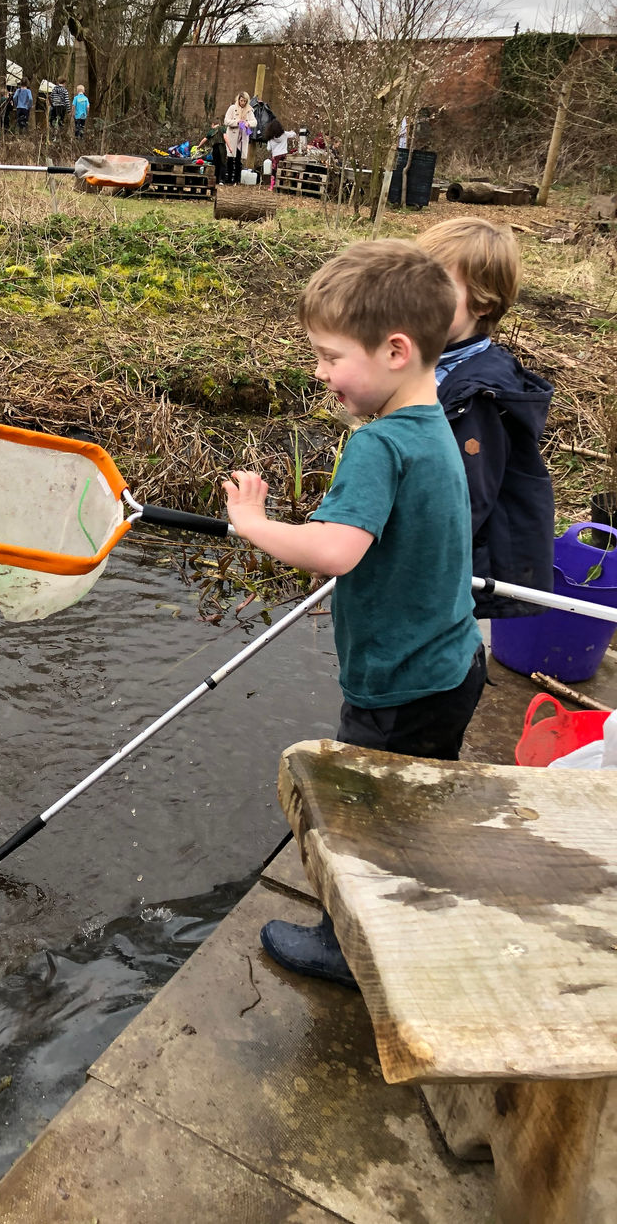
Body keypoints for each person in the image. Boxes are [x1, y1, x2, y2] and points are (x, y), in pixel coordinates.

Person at [222, 240, 485, 988]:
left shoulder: (378, 446)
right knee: (413, 808)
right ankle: (412, 909)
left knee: (362, 823)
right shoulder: (437, 423)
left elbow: (335, 551)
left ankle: (349, 946)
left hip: (397, 687)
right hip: (454, 667)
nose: (319, 373)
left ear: (395, 350)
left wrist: (253, 522)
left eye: (330, 356)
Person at [416, 217, 555, 617]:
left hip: (453, 571)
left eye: (434, 288)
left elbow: (464, 503)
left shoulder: (477, 398)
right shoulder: (432, 362)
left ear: (482, 304)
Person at [222, 91, 256, 184]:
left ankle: (236, 179)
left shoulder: (249, 110)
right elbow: (226, 121)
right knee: (230, 157)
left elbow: (254, 122)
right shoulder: (232, 108)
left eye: (245, 101)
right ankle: (228, 178)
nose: (243, 103)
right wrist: (237, 122)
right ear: (238, 100)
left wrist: (247, 123)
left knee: (238, 158)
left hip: (242, 137)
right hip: (232, 136)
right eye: (241, 101)